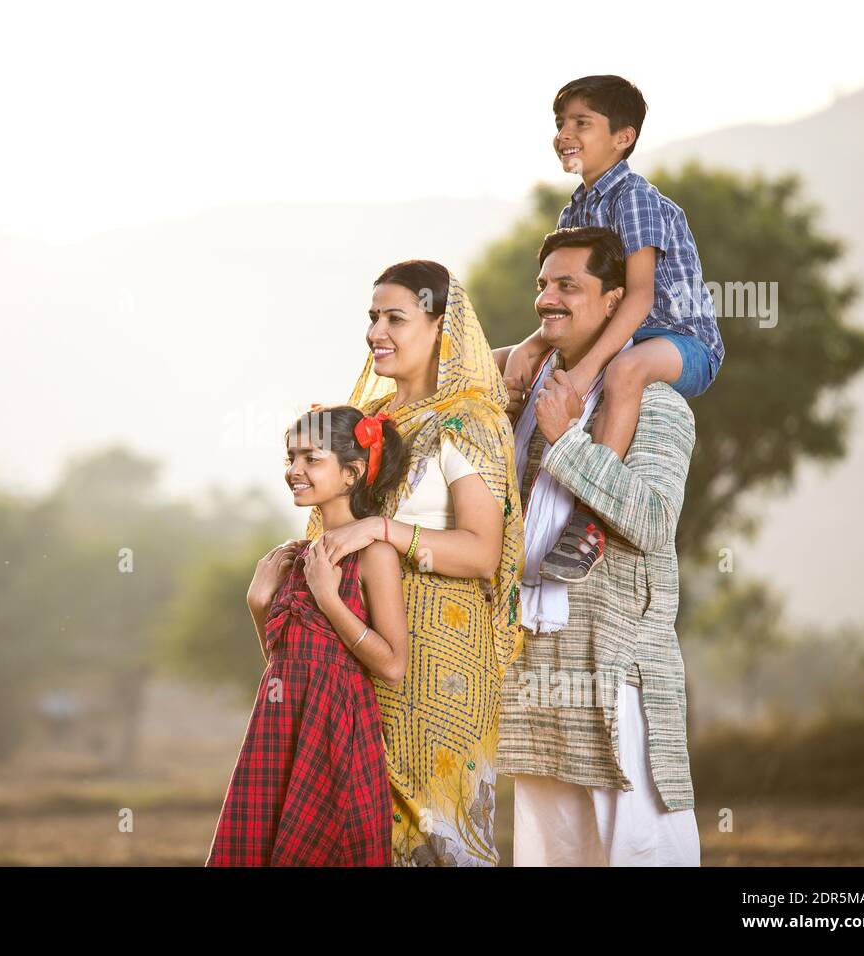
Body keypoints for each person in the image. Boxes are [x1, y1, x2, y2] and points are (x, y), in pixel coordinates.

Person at [495, 226, 701, 866]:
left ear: (616, 300)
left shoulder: (660, 406)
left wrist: (569, 444)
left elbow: (653, 521)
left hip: (619, 674)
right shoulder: (525, 403)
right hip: (535, 674)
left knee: (643, 853)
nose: (546, 299)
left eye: (567, 286)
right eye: (542, 285)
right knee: (549, 856)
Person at [308, 261, 525, 866]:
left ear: (440, 329)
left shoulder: (468, 422)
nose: (377, 330)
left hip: (444, 668)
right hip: (370, 653)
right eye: (373, 317)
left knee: (436, 843)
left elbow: (482, 553)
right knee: (362, 837)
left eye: (394, 318)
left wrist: (379, 528)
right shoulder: (370, 423)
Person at [500, 75, 724, 585]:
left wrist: (581, 377)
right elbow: (568, 296)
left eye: (582, 122)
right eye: (560, 124)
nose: (565, 134)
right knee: (502, 358)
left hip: (676, 338)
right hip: (624, 332)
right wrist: (527, 349)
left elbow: (639, 296)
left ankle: (590, 520)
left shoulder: (635, 198)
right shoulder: (574, 208)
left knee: (624, 373)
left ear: (623, 138)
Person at [206, 404, 410, 866]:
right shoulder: (294, 555)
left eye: (310, 459)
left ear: (352, 472)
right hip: (279, 727)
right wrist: (258, 605)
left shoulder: (374, 553)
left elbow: (394, 666)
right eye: (290, 459)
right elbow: (286, 665)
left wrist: (329, 598)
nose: (294, 471)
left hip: (335, 734)